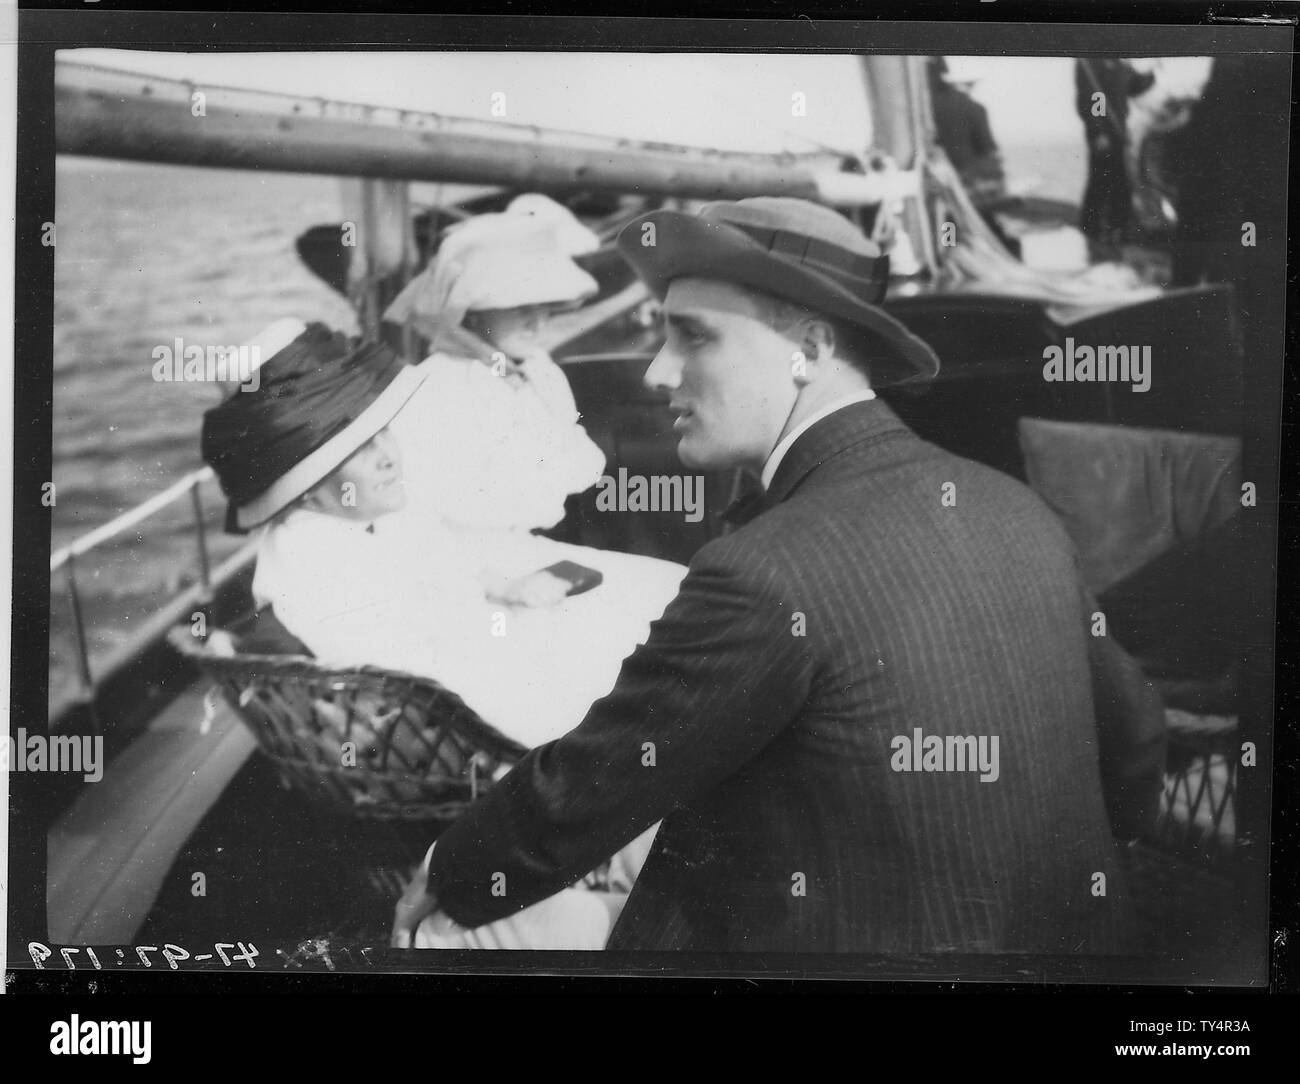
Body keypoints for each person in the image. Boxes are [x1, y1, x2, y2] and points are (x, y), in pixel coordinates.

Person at [393, 196, 1167, 955]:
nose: (659, 372)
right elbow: (1134, 741)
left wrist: (449, 868)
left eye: (693, 337)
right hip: (1081, 955)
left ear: (813, 351)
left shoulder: (761, 572)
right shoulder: (1016, 508)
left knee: (460, 925)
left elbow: (593, 783)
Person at [1075, 58, 1157, 255]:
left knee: (1122, 185)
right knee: (1100, 184)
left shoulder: (1120, 66)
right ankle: (1091, 234)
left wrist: (1151, 75)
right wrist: (1098, 131)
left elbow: (1134, 86)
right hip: (1104, 135)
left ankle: (1118, 233)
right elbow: (1092, 97)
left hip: (1119, 133)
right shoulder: (1090, 64)